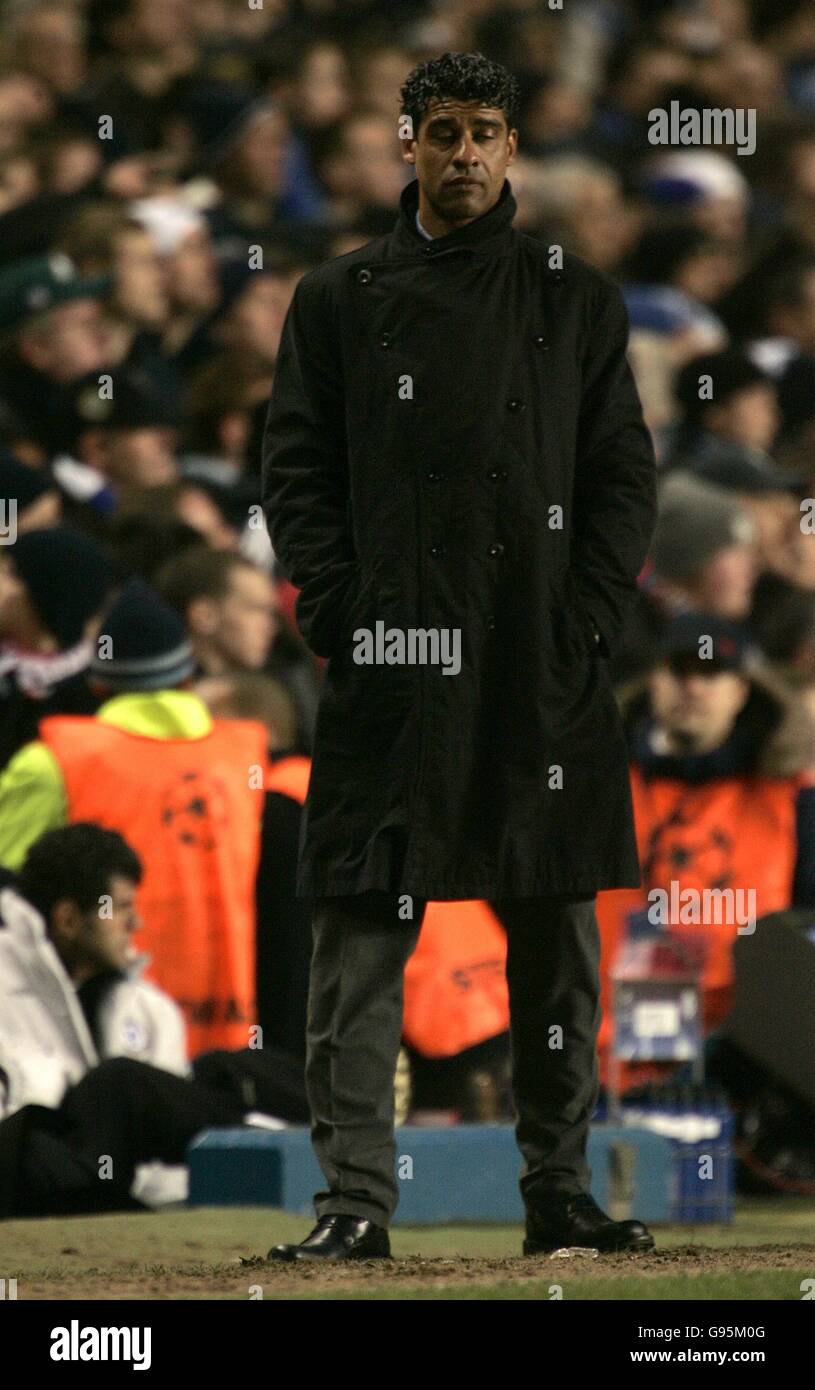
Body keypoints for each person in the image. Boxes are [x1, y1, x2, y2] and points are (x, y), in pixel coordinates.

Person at [261, 51, 658, 1261]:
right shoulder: (336, 299)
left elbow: (620, 478)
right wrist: (339, 612)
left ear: (512, 148)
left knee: (553, 945)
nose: (467, 154)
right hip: (392, 658)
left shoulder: (574, 298)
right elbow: (296, 475)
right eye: (445, 132)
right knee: (360, 943)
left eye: (487, 131)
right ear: (406, 144)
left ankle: (558, 1193)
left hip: (536, 659)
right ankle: (354, 1203)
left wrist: (583, 622)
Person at [0, 577, 269, 1056]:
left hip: (99, 1036)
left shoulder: (54, 762)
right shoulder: (249, 760)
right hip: (232, 1037)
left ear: (98, 681)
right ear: (189, 677)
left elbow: (10, 900)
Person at [0, 822, 308, 1219]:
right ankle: (268, 1141)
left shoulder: (145, 1007)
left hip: (93, 1188)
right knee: (119, 1083)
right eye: (123, 908)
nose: (137, 925)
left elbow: (160, 1165)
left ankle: (298, 1131)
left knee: (220, 1069)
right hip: (15, 1171)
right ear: (69, 920)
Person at [596, 613, 815, 1091]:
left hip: (747, 1063)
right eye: (679, 669)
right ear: (654, 679)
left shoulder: (793, 801)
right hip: (600, 1058)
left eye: (712, 673)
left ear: (741, 690)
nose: (693, 687)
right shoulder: (595, 787)